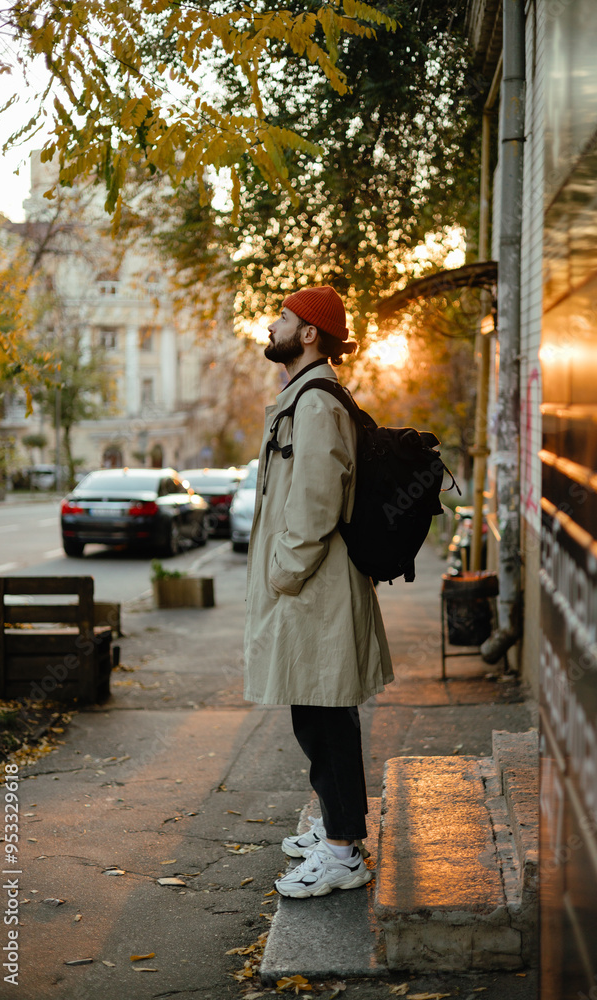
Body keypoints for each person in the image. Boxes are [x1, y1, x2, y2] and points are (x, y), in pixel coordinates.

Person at [244, 284, 393, 899]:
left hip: (314, 589)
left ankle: (341, 853)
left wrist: (283, 570)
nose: (271, 326)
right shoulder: (305, 395)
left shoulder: (315, 403)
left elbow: (314, 500)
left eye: (283, 317)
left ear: (308, 332)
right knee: (318, 715)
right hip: (313, 589)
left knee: (326, 721)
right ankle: (340, 832)